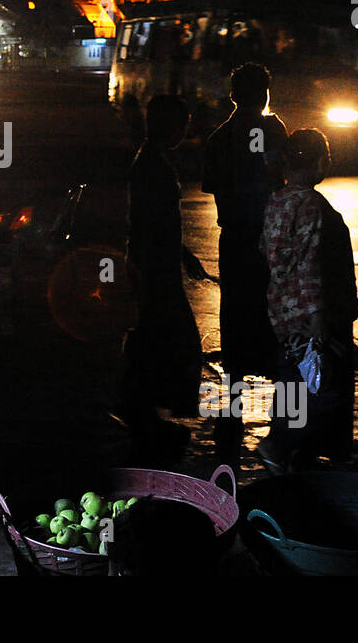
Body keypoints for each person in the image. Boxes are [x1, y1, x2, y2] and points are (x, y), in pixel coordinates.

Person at [257, 129, 358, 473]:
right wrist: (317, 317)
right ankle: (280, 445)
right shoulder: (312, 205)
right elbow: (311, 263)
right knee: (322, 389)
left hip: (283, 312)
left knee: (292, 382)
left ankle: (295, 453)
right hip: (311, 315)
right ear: (319, 162)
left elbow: (272, 255)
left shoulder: (277, 201)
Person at [201, 62, 287, 463]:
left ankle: (229, 421)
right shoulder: (273, 130)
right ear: (265, 92)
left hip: (233, 241)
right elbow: (277, 179)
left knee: (235, 326)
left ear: (233, 95)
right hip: (267, 241)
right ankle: (282, 426)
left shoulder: (219, 137)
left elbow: (212, 184)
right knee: (275, 329)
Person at [121, 95, 210, 459]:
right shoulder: (151, 166)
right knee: (169, 343)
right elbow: (149, 226)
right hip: (154, 271)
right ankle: (143, 416)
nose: (185, 131)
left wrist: (184, 255)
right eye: (181, 123)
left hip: (158, 267)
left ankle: (144, 414)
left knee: (154, 343)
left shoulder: (152, 162)